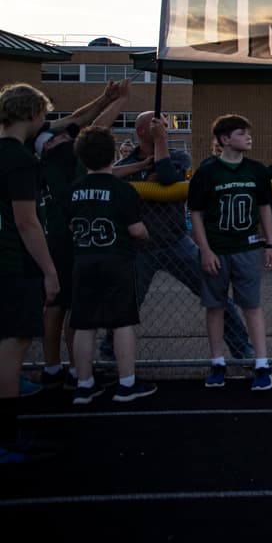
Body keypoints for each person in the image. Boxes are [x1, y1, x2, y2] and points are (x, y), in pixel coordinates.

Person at [114, 111, 253, 361]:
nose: (165, 129)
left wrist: (161, 144)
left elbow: (168, 177)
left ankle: (242, 348)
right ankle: (108, 354)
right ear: (141, 131)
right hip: (140, 247)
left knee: (216, 296)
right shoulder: (125, 165)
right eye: (159, 126)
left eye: (166, 126)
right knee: (126, 304)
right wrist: (147, 173)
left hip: (176, 241)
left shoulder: (178, 156)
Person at [36, 78, 139, 390]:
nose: (67, 135)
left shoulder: (57, 160)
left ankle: (59, 368)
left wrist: (105, 97)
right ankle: (75, 370)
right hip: (70, 237)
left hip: (55, 232)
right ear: (50, 144)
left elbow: (80, 122)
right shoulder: (64, 156)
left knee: (59, 306)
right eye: (60, 137)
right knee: (71, 309)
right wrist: (121, 101)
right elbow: (93, 128)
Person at [66, 126, 157, 405]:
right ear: (111, 155)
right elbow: (137, 230)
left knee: (83, 323)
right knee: (122, 322)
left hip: (84, 260)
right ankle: (126, 383)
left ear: (81, 157)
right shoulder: (122, 190)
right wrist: (145, 239)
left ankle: (84, 383)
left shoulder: (73, 189)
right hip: (116, 260)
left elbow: (69, 225)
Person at [188, 114, 272, 391]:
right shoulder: (207, 171)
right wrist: (205, 250)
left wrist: (271, 244)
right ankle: (217, 361)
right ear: (224, 139)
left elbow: (264, 208)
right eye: (241, 133)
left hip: (247, 248)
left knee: (251, 306)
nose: (248, 137)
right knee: (215, 307)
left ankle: (261, 363)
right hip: (216, 249)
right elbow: (197, 213)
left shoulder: (256, 170)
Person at [0, 84, 58, 463]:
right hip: (13, 264)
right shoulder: (18, 159)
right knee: (12, 347)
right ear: (35, 113)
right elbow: (26, 221)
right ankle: (7, 437)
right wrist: (50, 271)